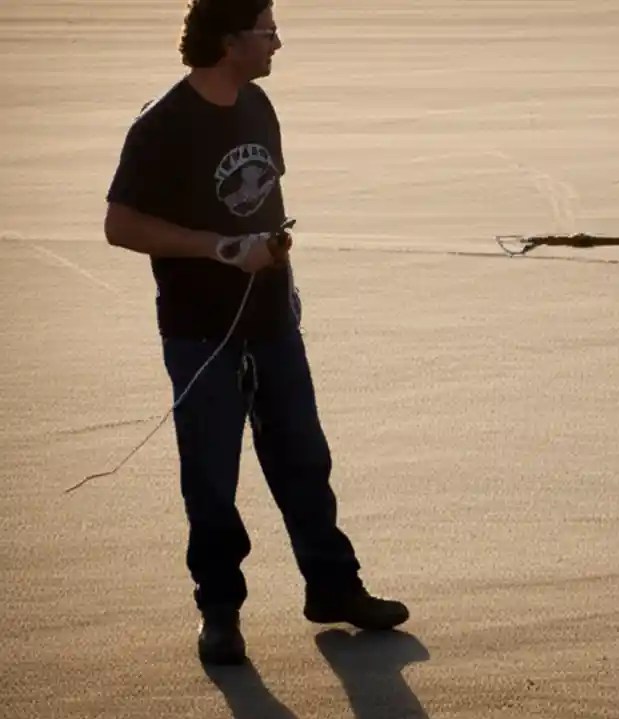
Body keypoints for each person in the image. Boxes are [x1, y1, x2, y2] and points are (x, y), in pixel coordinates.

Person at [103, 0, 408, 666]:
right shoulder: (163, 125)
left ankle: (333, 587)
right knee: (211, 477)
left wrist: (275, 261)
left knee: (304, 458)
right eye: (268, 31)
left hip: (273, 321)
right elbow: (120, 225)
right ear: (228, 39)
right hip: (200, 333)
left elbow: (263, 197)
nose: (278, 43)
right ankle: (219, 613)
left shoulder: (257, 108)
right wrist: (220, 248)